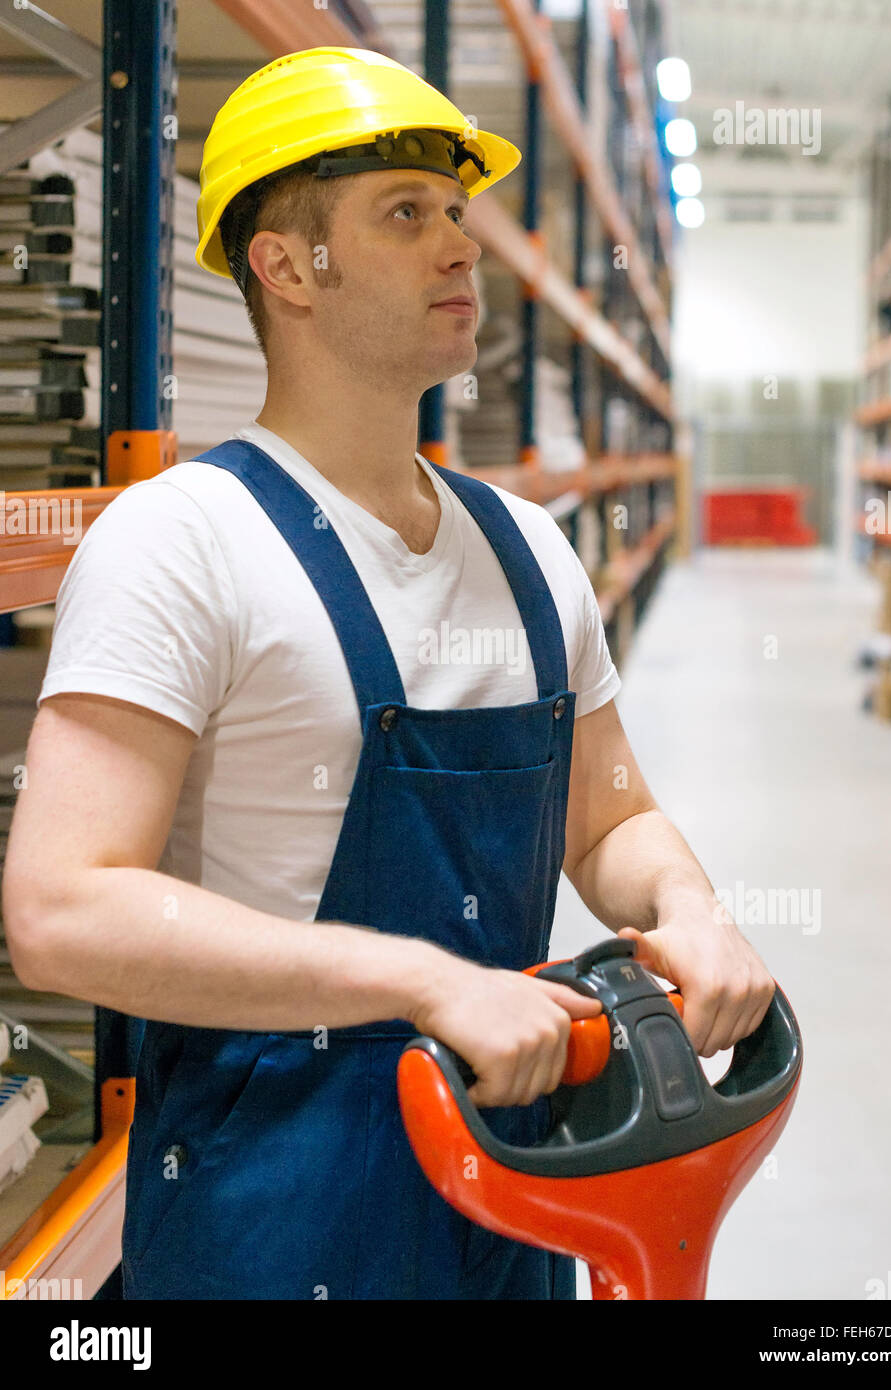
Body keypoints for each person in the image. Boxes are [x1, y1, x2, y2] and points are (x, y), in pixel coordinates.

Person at [2, 47, 775, 1300]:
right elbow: (59, 910)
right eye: (406, 214)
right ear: (285, 266)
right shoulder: (180, 541)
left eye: (457, 212)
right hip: (276, 1209)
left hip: (517, 1187)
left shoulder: (526, 549)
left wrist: (688, 907)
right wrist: (421, 981)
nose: (461, 247)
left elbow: (611, 813)